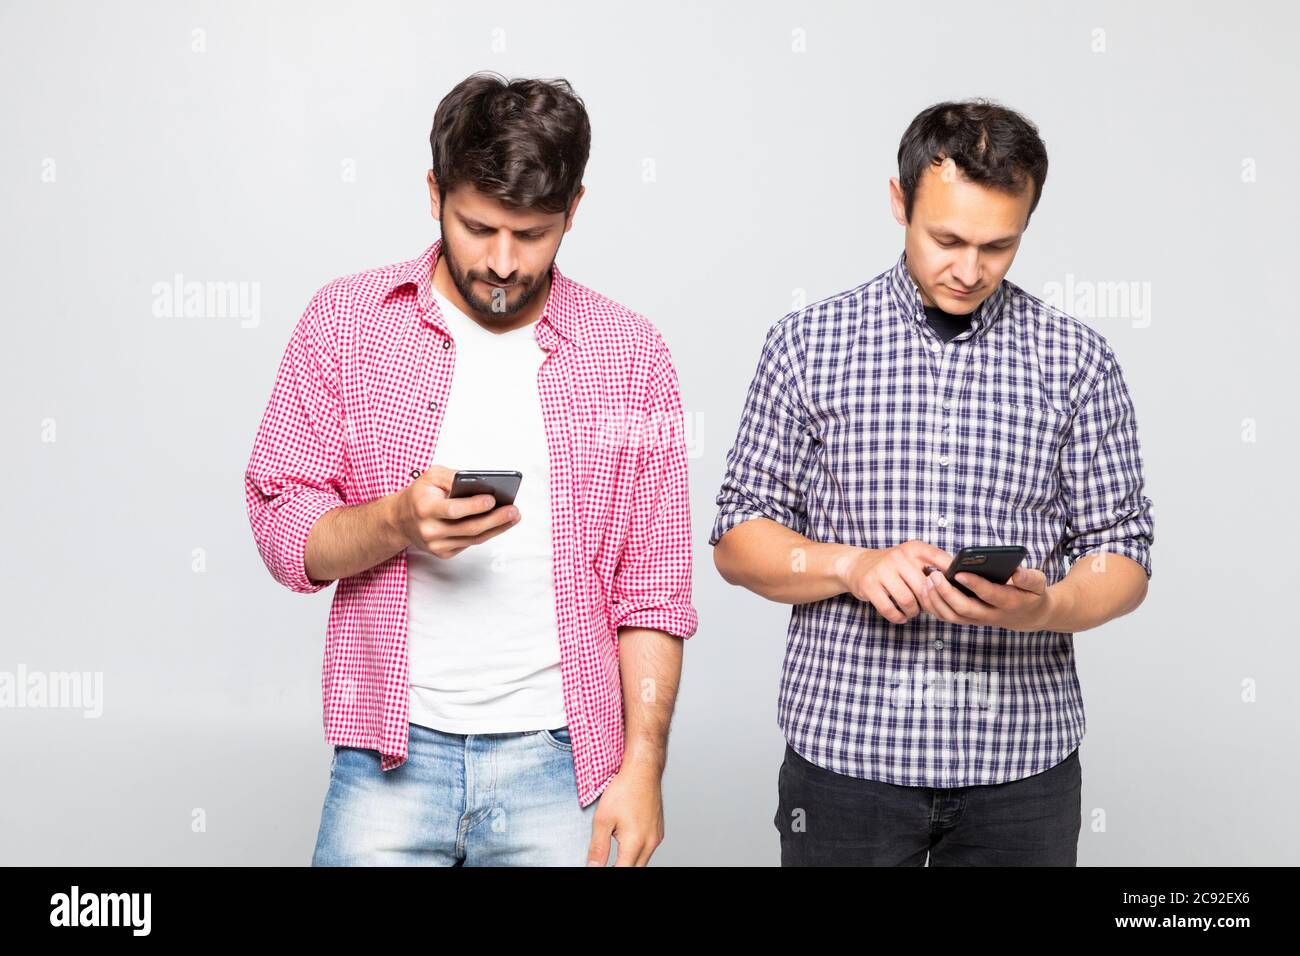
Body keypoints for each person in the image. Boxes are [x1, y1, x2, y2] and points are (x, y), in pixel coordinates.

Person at [244, 72, 697, 866]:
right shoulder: (345, 323)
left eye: (533, 235)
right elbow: (284, 532)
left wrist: (645, 767)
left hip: (564, 765)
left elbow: (654, 587)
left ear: (574, 211)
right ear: (434, 193)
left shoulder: (632, 355)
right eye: (478, 226)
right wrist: (394, 523)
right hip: (388, 756)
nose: (501, 261)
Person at [710, 99, 1154, 866]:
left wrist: (1047, 606)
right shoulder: (807, 344)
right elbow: (736, 538)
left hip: (1021, 771)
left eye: (998, 245)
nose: (970, 269)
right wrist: (852, 565)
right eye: (946, 239)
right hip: (846, 763)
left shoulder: (1078, 361)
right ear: (899, 202)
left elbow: (1125, 554)